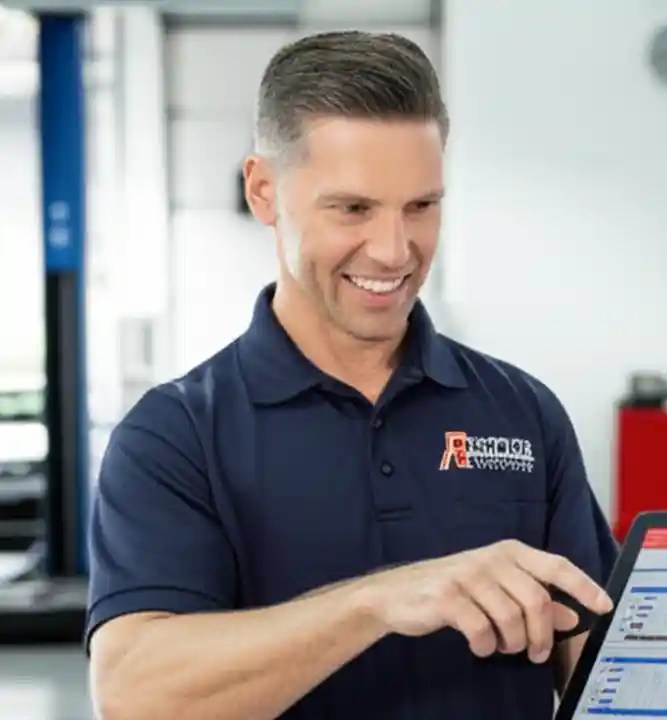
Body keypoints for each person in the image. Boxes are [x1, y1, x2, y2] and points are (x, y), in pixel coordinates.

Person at [86, 30, 617, 720]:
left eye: (422, 206)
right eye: (354, 209)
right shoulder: (174, 437)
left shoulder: (523, 413)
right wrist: (380, 602)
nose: (396, 250)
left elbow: (599, 666)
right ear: (264, 190)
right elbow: (136, 696)